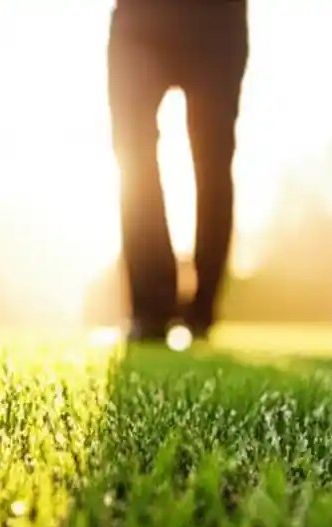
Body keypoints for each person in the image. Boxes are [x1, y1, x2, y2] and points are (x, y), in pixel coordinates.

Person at [107, 0, 249, 343]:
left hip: (216, 18)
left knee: (212, 159)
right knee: (132, 149)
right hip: (140, 17)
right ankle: (150, 305)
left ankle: (202, 309)